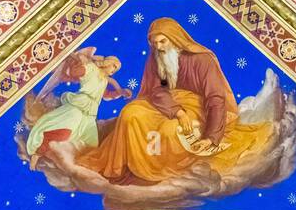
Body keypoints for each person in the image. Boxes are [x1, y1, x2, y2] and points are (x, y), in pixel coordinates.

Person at [77, 18, 274, 184]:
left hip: (198, 107)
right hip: (167, 104)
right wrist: (177, 111)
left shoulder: (202, 60)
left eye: (163, 42)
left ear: (175, 39)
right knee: (130, 114)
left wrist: (211, 137)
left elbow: (215, 98)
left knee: (171, 131)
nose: (159, 48)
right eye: (154, 44)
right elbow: (157, 90)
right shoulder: (158, 58)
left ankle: (161, 171)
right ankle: (127, 167)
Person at [26, 51, 127, 164]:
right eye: (114, 67)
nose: (113, 71)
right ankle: (39, 153)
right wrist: (79, 63)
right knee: (64, 129)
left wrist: (120, 93)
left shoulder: (104, 80)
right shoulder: (90, 68)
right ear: (107, 63)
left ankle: (80, 169)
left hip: (90, 114)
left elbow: (106, 95)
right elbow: (74, 72)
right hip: (78, 106)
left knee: (92, 145)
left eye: (115, 69)